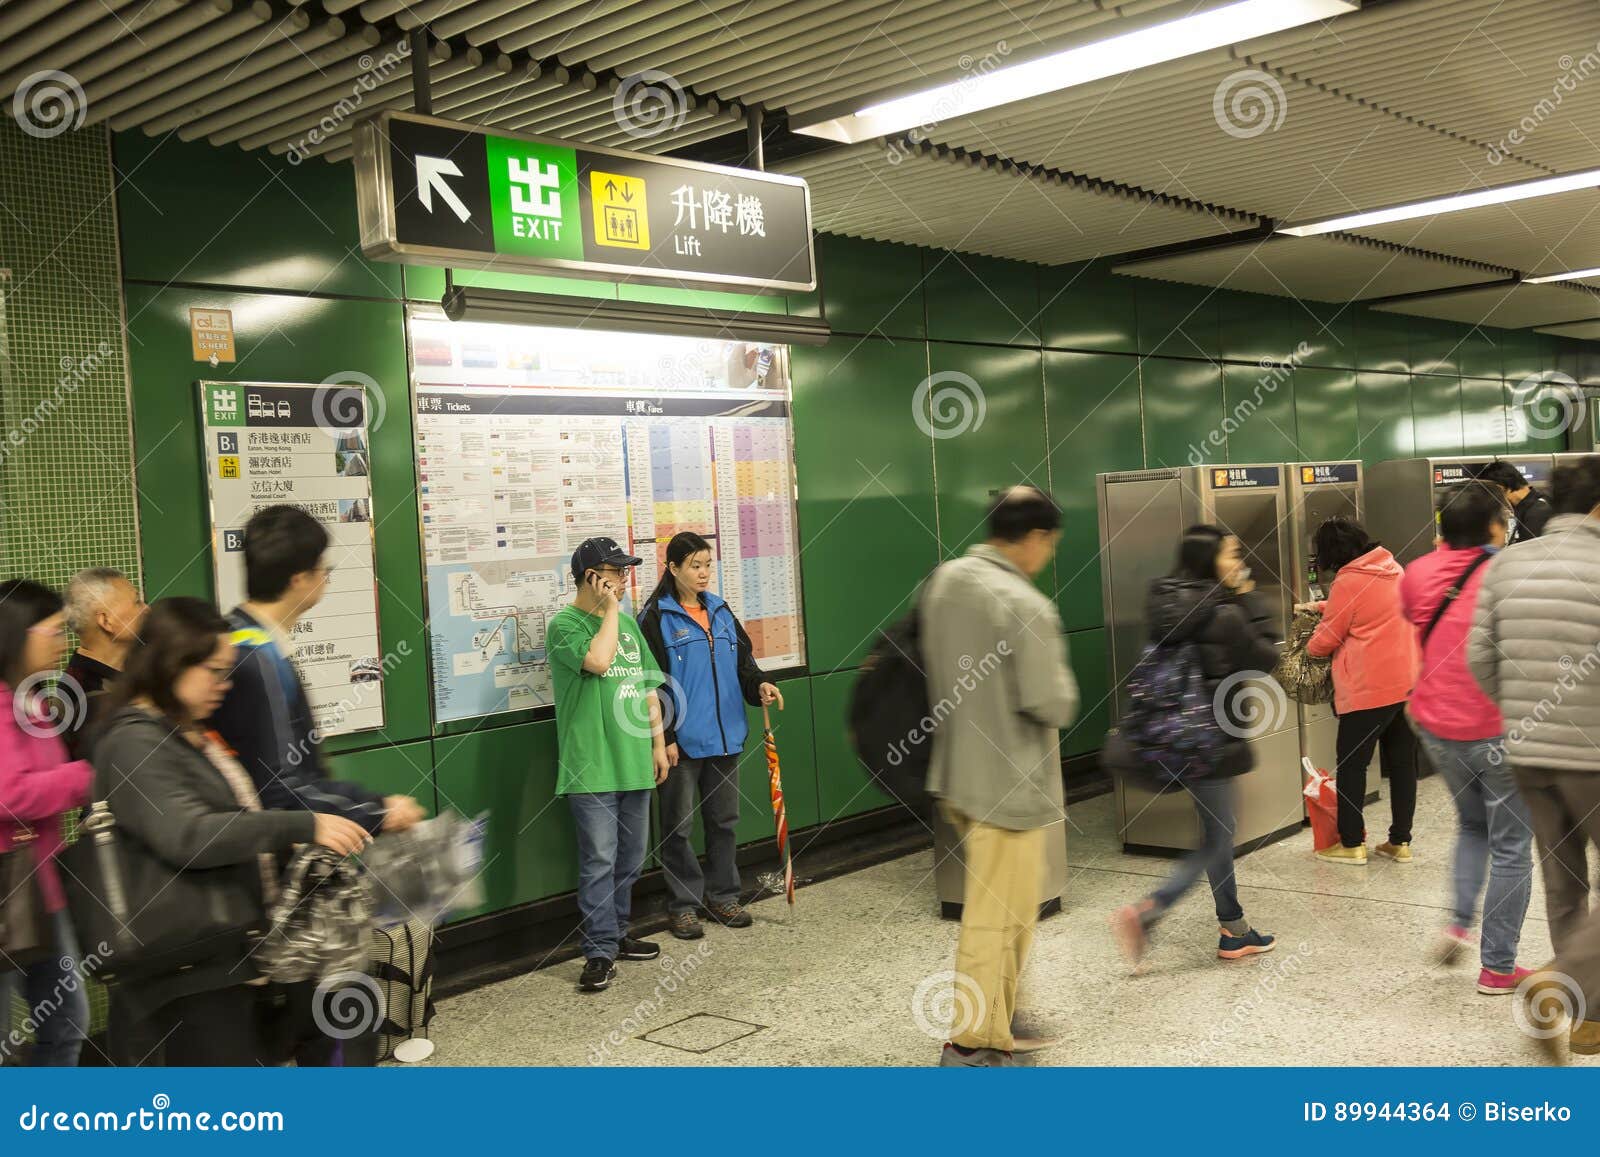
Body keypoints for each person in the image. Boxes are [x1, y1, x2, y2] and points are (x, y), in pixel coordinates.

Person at [93, 597, 371, 1066]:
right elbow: (190, 835)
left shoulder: (182, 732)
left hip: (218, 963)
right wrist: (303, 823)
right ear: (168, 662)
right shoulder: (131, 742)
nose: (223, 685)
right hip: (178, 979)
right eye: (212, 671)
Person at [208, 504, 422, 1064]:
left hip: (267, 868)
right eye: (323, 569)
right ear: (301, 578)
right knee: (339, 1022)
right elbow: (280, 783)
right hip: (287, 875)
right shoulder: (256, 657)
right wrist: (377, 811)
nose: (326, 580)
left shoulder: (240, 636)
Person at [921, 486, 1078, 1067]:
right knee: (997, 921)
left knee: (1007, 914)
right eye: (1051, 545)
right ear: (1035, 538)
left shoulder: (948, 580)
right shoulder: (1025, 602)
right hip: (1010, 788)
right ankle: (970, 1043)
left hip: (957, 775)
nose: (1049, 556)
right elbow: (1053, 702)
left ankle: (998, 1024)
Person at [1468, 455, 1600, 1061]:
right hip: (1591, 755)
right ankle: (1559, 979)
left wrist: (1524, 712)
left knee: (1564, 883)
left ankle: (1585, 1018)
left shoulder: (1509, 564)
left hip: (1527, 750)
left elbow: (1478, 662)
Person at [1107, 526, 1279, 974]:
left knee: (1215, 834)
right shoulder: (1225, 613)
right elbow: (1266, 658)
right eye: (1231, 554)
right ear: (1211, 561)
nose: (1238, 561)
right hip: (1213, 738)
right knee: (1217, 838)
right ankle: (1148, 911)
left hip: (1173, 733)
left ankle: (1235, 930)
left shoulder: (1166, 601)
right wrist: (1247, 597)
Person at [1400, 482, 1534, 995]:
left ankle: (1458, 920)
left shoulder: (1416, 573)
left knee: (1472, 827)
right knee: (1511, 844)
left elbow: (1420, 624)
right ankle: (1498, 967)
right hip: (1497, 730)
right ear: (1496, 528)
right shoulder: (1509, 572)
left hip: (1436, 728)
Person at [637, 532, 784, 940]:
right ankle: (683, 906)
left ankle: (723, 896)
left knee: (724, 822)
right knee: (678, 827)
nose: (703, 573)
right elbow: (653, 684)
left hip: (725, 739)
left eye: (707, 564)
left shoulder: (720, 611)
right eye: (694, 566)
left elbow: (745, 665)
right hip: (681, 743)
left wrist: (761, 686)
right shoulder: (654, 618)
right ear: (673, 569)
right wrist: (664, 738)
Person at [547, 536, 671, 993]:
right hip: (591, 766)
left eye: (624, 571)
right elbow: (599, 661)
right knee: (599, 860)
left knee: (631, 859)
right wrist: (612, 610)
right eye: (615, 571)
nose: (623, 578)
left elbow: (647, 690)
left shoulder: (630, 626)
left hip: (633, 758)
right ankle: (599, 950)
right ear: (591, 576)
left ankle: (618, 933)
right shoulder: (564, 625)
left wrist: (658, 745)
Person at [0, 580, 93, 1066]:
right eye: (55, 631)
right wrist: (84, 778)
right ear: (18, 633)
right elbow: (8, 794)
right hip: (9, 893)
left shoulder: (30, 699)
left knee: (67, 1020)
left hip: (42, 891)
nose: (63, 644)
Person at [1300, 518, 1419, 866]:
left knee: (1352, 767)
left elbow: (1327, 639)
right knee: (1401, 765)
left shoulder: (1349, 580)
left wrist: (1310, 646)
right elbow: (1373, 609)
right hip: (1406, 684)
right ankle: (1400, 842)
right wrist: (1324, 606)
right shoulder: (1392, 567)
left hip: (1369, 689)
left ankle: (1351, 843)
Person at [61, 567, 146, 757]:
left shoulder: (129, 673)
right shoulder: (89, 699)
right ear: (106, 621)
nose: (147, 609)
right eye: (137, 602)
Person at [1477, 460, 1553, 543]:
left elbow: (1528, 551)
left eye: (1490, 493)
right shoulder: (1521, 507)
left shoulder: (1538, 511)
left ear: (1500, 488)